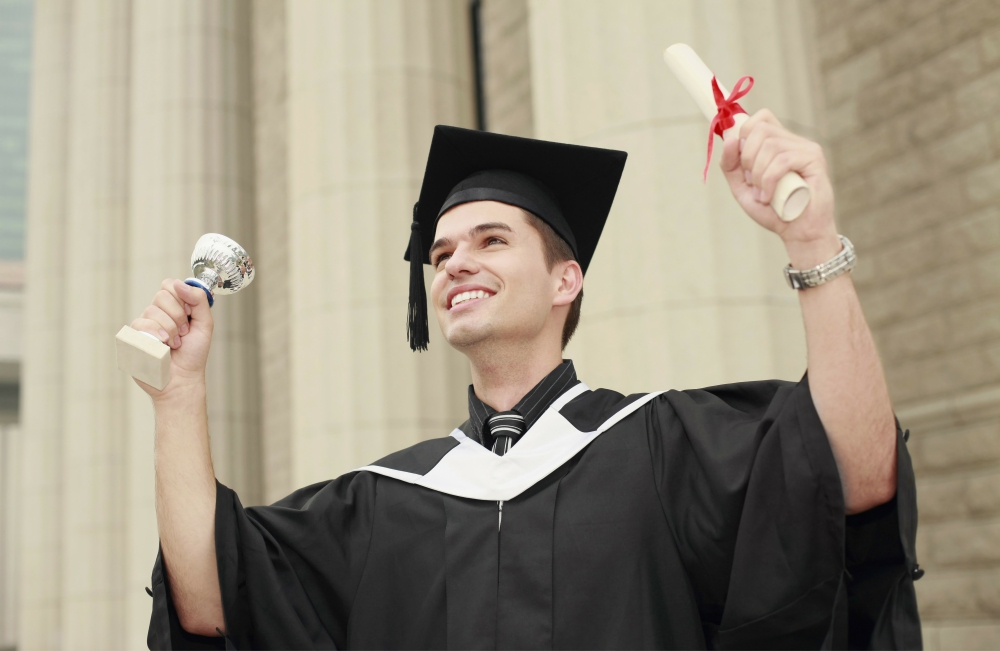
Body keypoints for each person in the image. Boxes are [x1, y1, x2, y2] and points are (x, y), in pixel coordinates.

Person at [138, 119, 921, 650]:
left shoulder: (669, 447)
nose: (455, 264)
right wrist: (178, 394)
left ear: (564, 280)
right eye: (441, 254)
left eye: (490, 240)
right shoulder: (379, 505)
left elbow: (852, 477)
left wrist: (811, 240)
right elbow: (210, 600)